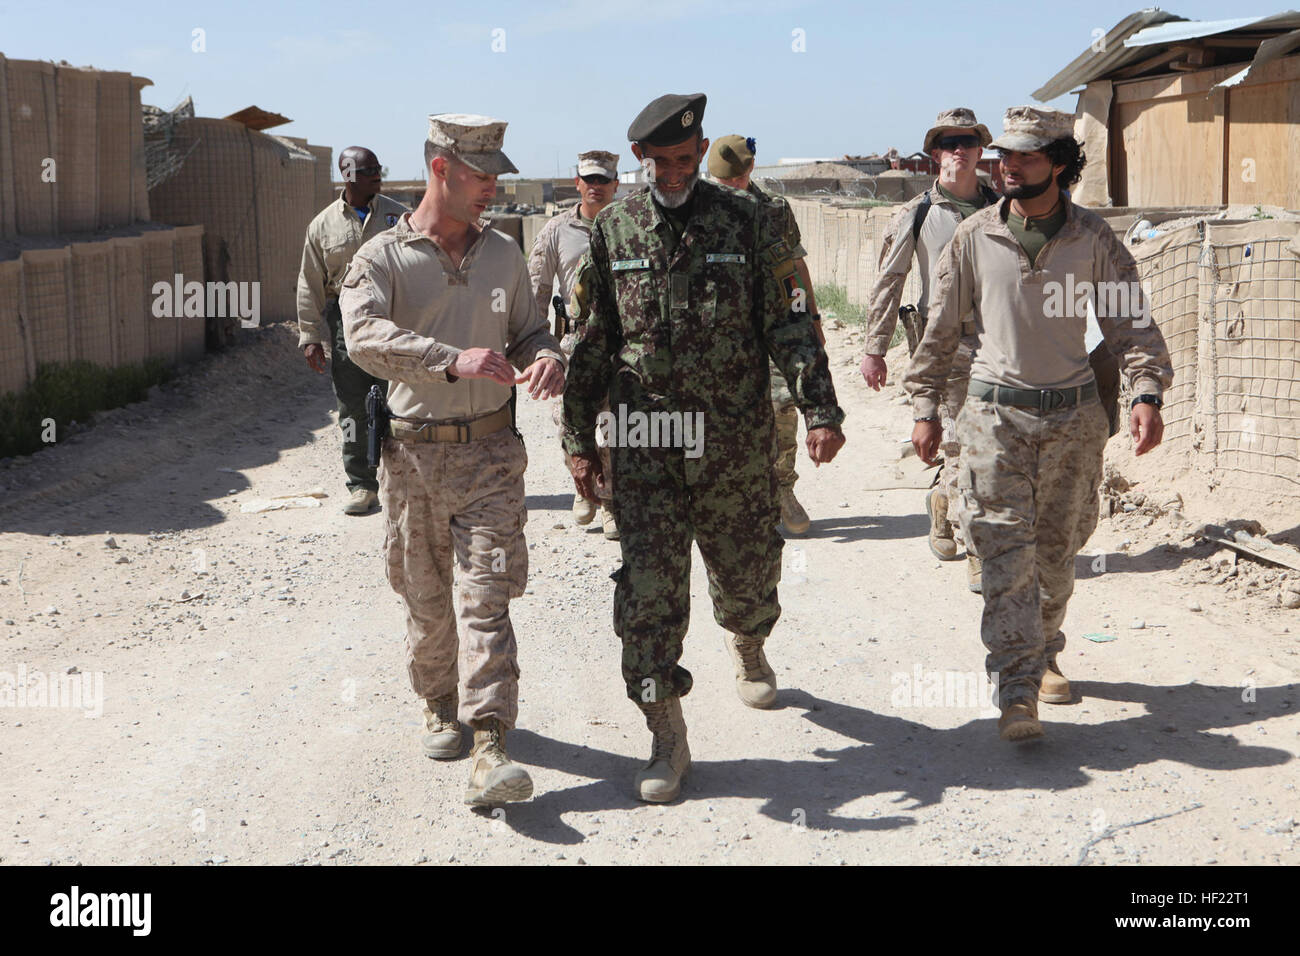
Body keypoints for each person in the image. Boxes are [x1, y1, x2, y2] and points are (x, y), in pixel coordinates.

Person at [562, 93, 845, 803]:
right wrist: (577, 441)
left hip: (733, 439)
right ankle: (666, 733)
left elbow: (790, 322)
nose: (677, 174)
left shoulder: (749, 220)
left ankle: (747, 639)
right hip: (644, 441)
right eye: (663, 163)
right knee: (648, 594)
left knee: (748, 579)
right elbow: (594, 341)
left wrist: (818, 407)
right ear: (640, 160)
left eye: (688, 161)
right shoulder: (613, 228)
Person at [905, 106, 1172, 742]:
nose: (1008, 165)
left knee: (1058, 551)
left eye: (1024, 155)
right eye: (1004, 155)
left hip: (1075, 419)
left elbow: (1129, 324)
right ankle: (1016, 687)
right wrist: (923, 408)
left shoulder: (1092, 239)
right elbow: (940, 331)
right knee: (1001, 552)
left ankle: (1047, 647)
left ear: (1058, 163)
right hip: (994, 416)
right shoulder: (974, 237)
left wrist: (1146, 392)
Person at [340, 114, 566, 804]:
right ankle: (438, 701)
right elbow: (361, 336)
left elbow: (528, 329)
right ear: (441, 169)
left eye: (497, 174)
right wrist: (449, 359)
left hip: (492, 455)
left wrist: (547, 356)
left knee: (486, 600)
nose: (493, 187)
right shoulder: (382, 257)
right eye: (480, 175)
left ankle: (492, 745)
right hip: (412, 461)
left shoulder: (503, 253)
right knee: (427, 602)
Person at [859, 109, 999, 586]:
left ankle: (943, 501)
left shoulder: (1003, 209)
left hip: (997, 347)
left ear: (981, 150)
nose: (959, 149)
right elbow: (889, 281)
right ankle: (979, 549)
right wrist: (874, 347)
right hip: (941, 346)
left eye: (968, 141)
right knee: (962, 442)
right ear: (936, 152)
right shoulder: (916, 213)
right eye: (949, 141)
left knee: (988, 445)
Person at [709, 134, 823, 535]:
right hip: (718, 338)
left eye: (740, 180)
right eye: (727, 183)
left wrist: (811, 318)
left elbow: (794, 267)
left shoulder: (775, 210)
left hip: (775, 331)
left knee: (782, 409)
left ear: (751, 171)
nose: (735, 188)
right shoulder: (696, 213)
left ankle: (782, 489)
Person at [297, 147, 409, 514]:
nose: (378, 175)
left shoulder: (399, 216)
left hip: (396, 320)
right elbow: (309, 283)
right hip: (346, 324)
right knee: (352, 409)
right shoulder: (322, 226)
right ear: (348, 175)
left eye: (379, 168)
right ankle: (361, 484)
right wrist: (311, 336)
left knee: (403, 401)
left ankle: (404, 479)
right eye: (369, 170)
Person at [528, 149, 621, 538]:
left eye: (604, 180)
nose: (596, 187)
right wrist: (533, 342)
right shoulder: (556, 231)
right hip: (575, 343)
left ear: (615, 184)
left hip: (621, 343)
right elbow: (536, 289)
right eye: (589, 180)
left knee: (614, 424)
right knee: (570, 420)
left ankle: (611, 501)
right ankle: (584, 486)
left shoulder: (628, 226)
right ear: (577, 183)